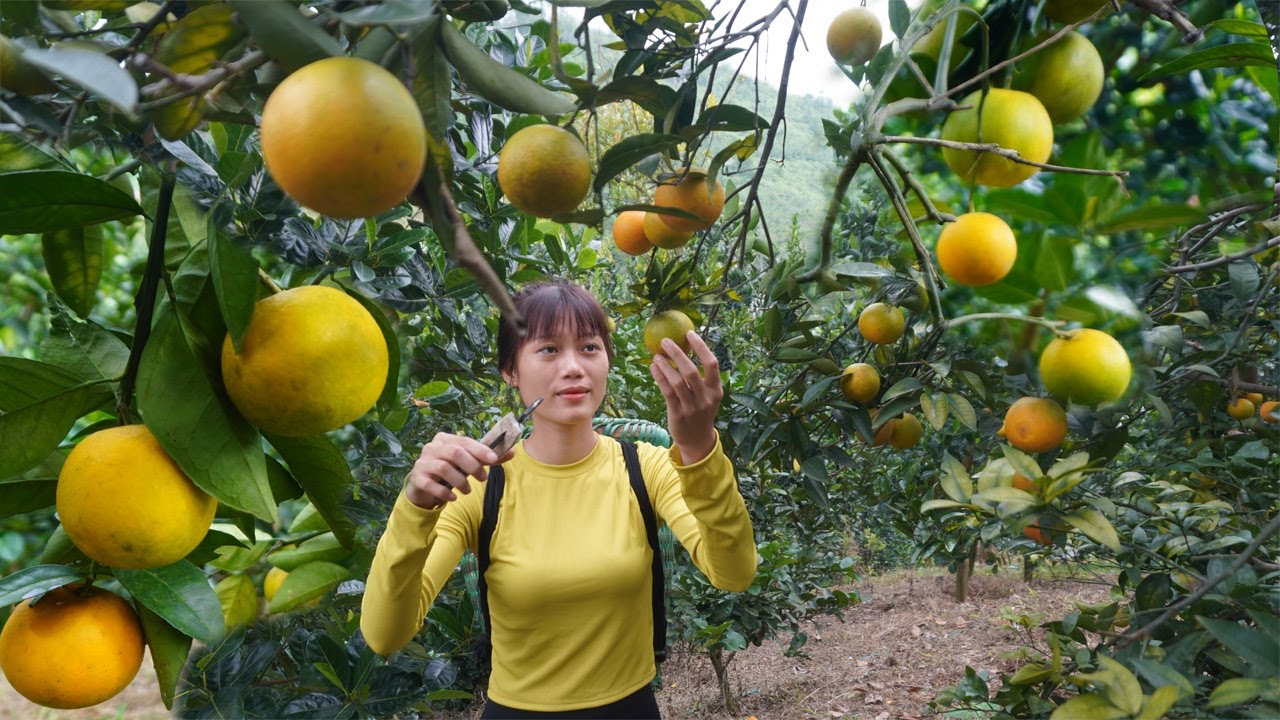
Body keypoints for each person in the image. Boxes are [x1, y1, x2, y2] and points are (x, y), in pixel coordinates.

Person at [360, 280, 756, 719]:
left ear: (607, 360)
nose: (573, 367)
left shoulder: (647, 467)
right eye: (548, 349)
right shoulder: (479, 486)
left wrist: (700, 450)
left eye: (589, 347)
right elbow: (385, 634)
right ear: (510, 370)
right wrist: (414, 508)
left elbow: (733, 572)